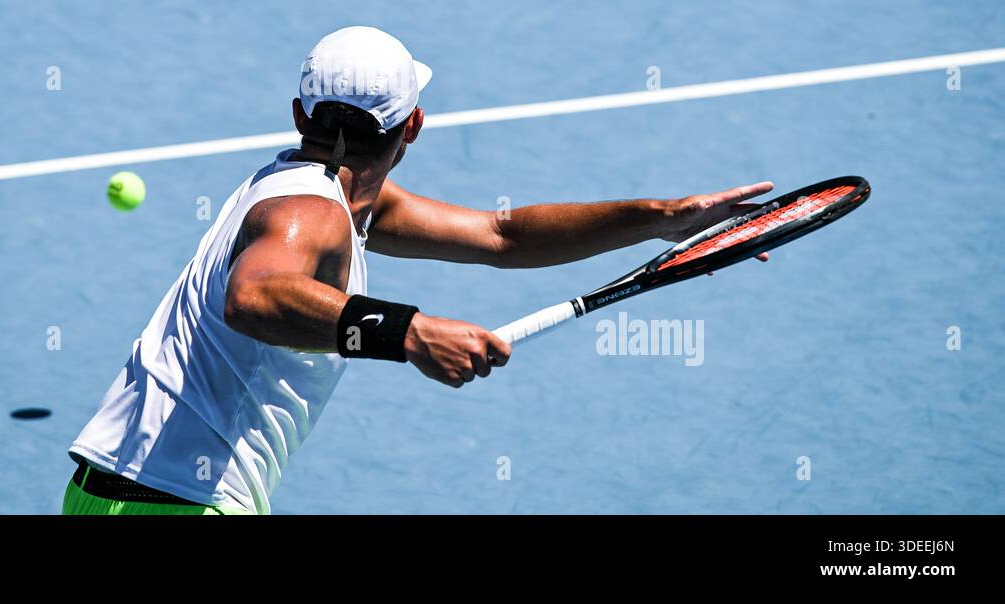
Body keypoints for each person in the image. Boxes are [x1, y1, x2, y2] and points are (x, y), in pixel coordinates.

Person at [63, 26, 772, 514]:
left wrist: (662, 217)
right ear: (413, 126)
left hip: (110, 493)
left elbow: (502, 234)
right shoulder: (306, 215)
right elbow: (253, 297)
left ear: (298, 115)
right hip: (178, 501)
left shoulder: (331, 197)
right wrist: (410, 332)